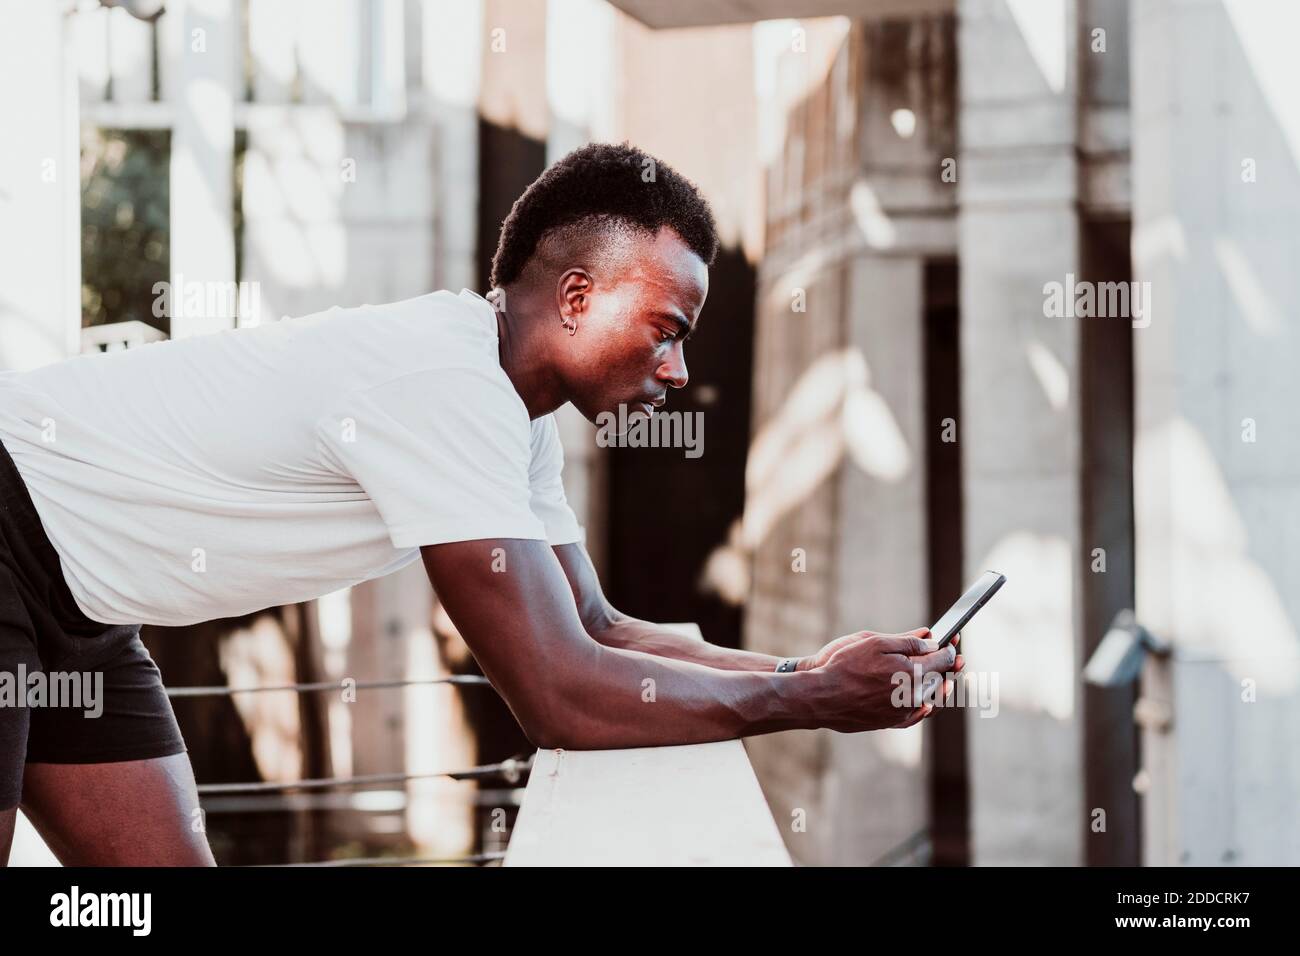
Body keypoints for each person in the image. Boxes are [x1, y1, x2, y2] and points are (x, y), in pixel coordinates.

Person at [0, 142, 961, 865]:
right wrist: (808, 700)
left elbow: (595, 627)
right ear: (577, 296)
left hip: (87, 606)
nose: (678, 369)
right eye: (667, 331)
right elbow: (557, 695)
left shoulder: (513, 411)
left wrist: (806, 666)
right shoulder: (445, 380)